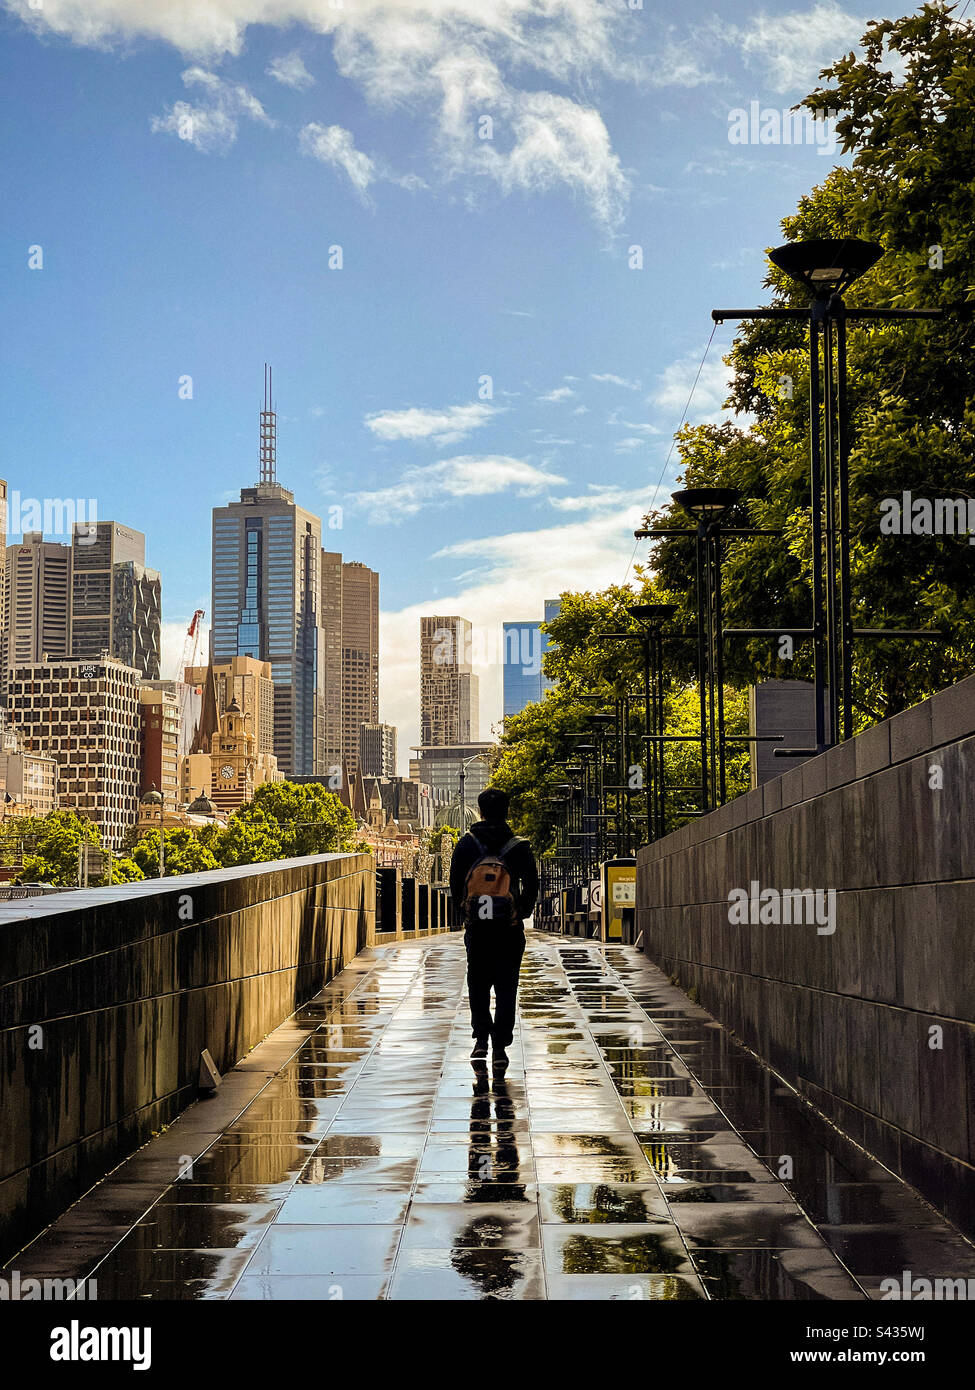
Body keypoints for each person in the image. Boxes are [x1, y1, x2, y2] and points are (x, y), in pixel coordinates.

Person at [449, 787, 538, 1069]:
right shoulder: (518, 847)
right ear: (506, 811)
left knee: (477, 984)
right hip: (509, 930)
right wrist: (520, 911)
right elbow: (533, 886)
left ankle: (481, 1040)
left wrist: (463, 911)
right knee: (506, 985)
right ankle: (500, 1045)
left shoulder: (466, 845)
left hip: (478, 930)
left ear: (481, 811)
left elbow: (455, 884)